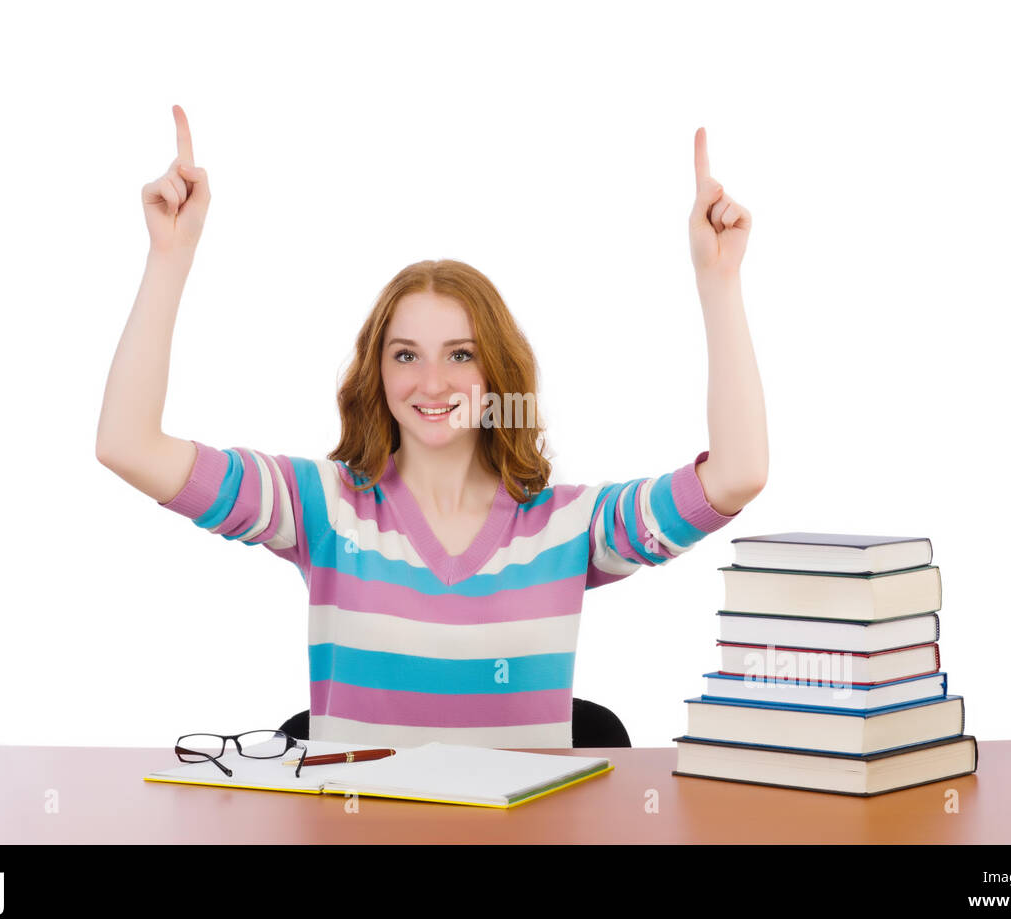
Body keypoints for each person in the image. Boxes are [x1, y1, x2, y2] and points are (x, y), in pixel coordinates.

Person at [96, 104, 768, 749]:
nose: (434, 383)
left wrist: (720, 278)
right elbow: (127, 445)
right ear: (380, 376)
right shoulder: (321, 508)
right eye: (406, 354)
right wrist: (169, 256)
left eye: (462, 354)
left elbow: (737, 474)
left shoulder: (570, 527)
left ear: (497, 373)